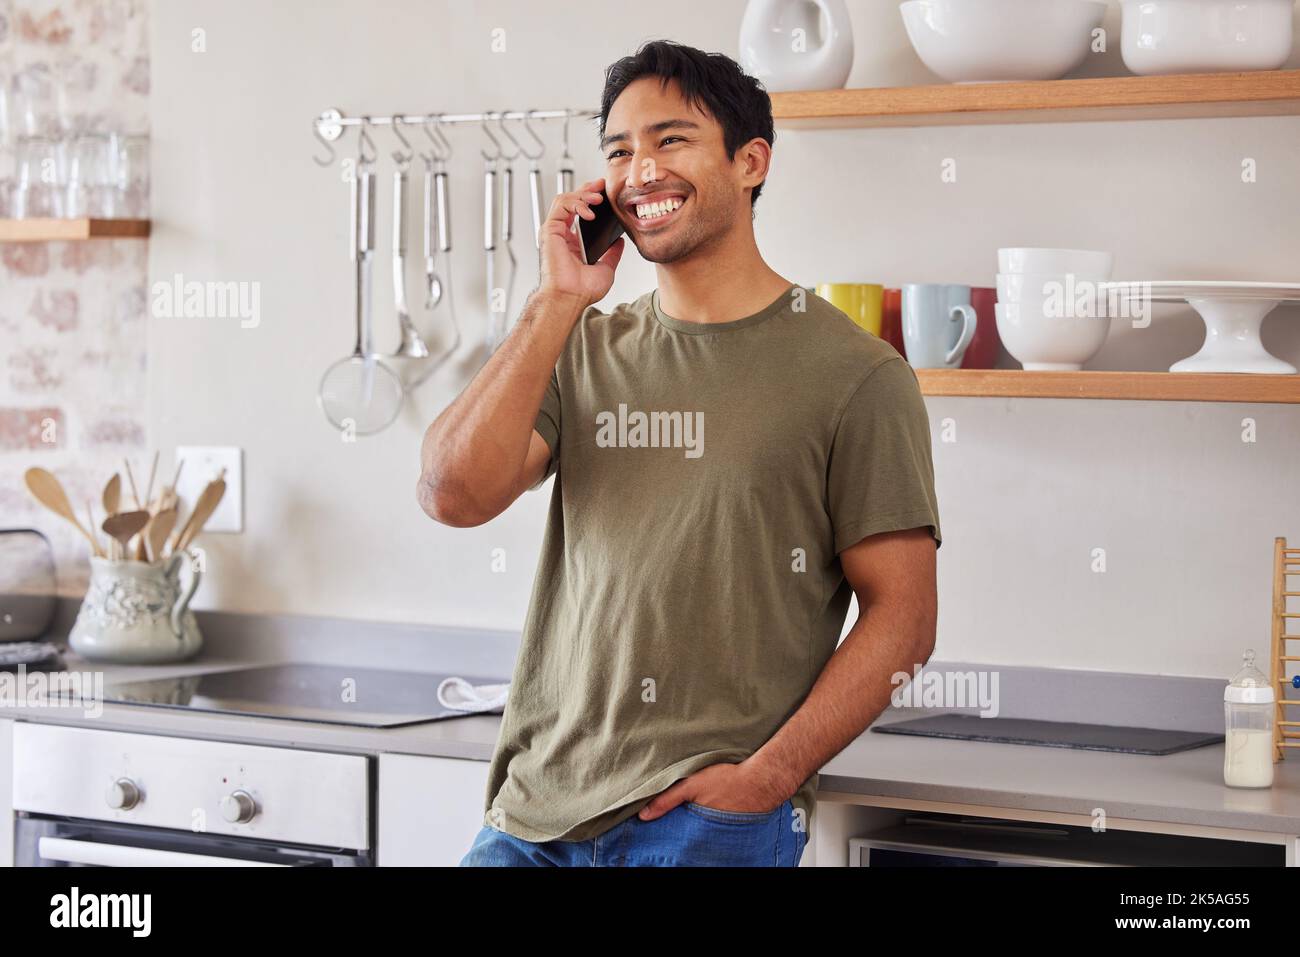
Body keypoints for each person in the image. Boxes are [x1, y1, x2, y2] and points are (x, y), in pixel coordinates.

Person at [419, 39, 942, 867]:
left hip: (705, 827)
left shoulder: (857, 376)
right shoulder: (581, 345)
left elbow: (904, 618)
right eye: (618, 150)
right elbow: (451, 494)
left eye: (671, 140)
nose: (640, 172)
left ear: (750, 161)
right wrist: (556, 299)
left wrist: (769, 776)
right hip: (532, 817)